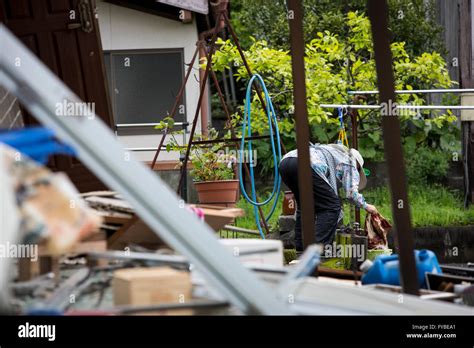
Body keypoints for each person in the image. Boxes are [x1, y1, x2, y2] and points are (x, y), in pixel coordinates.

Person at [279, 143, 378, 252]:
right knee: (332, 207)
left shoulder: (332, 152)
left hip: (285, 163)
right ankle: (317, 250)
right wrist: (367, 206)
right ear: (358, 166)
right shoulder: (349, 162)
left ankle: (301, 248)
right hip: (307, 164)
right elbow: (351, 194)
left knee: (306, 207)